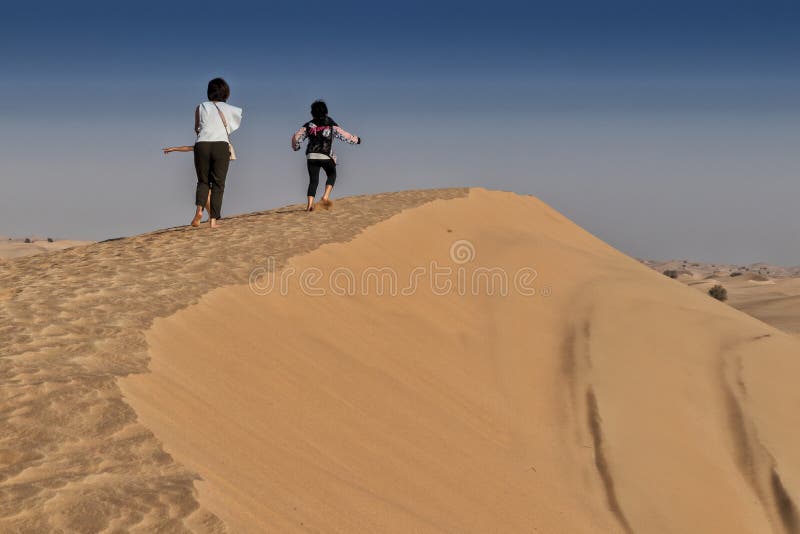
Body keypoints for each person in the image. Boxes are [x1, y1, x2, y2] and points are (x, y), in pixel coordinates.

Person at [163, 78, 242, 228]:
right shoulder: (232, 109)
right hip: (220, 145)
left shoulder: (200, 107)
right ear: (226, 92)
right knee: (218, 184)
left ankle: (199, 211)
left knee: (203, 181)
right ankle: (213, 221)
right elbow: (232, 126)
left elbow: (197, 128)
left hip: (202, 145)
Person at [291, 100, 361, 211]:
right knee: (332, 174)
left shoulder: (308, 125)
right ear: (326, 111)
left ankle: (309, 206)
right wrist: (356, 140)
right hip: (325, 155)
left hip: (311, 155)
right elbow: (344, 135)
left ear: (312, 113)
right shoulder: (330, 123)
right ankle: (325, 197)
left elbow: (296, 137)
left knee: (313, 181)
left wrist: (296, 147)